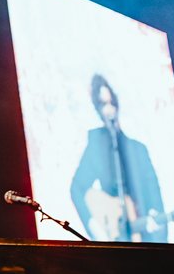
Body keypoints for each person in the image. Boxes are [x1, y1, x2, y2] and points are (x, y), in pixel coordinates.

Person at [69, 74, 167, 242]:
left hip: (142, 238)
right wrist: (97, 231)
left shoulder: (138, 150)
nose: (109, 110)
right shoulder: (97, 145)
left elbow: (154, 194)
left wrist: (154, 218)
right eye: (103, 104)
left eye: (111, 103)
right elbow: (77, 188)